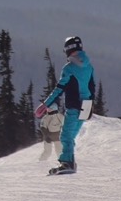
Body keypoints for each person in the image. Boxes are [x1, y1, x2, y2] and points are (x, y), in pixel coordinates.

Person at [35, 36, 97, 175]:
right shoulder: (89, 66)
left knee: (65, 136)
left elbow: (59, 89)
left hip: (74, 105)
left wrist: (45, 105)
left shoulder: (69, 68)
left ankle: (67, 163)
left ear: (68, 50)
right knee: (70, 136)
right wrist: (91, 104)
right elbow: (92, 87)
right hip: (86, 105)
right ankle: (70, 162)